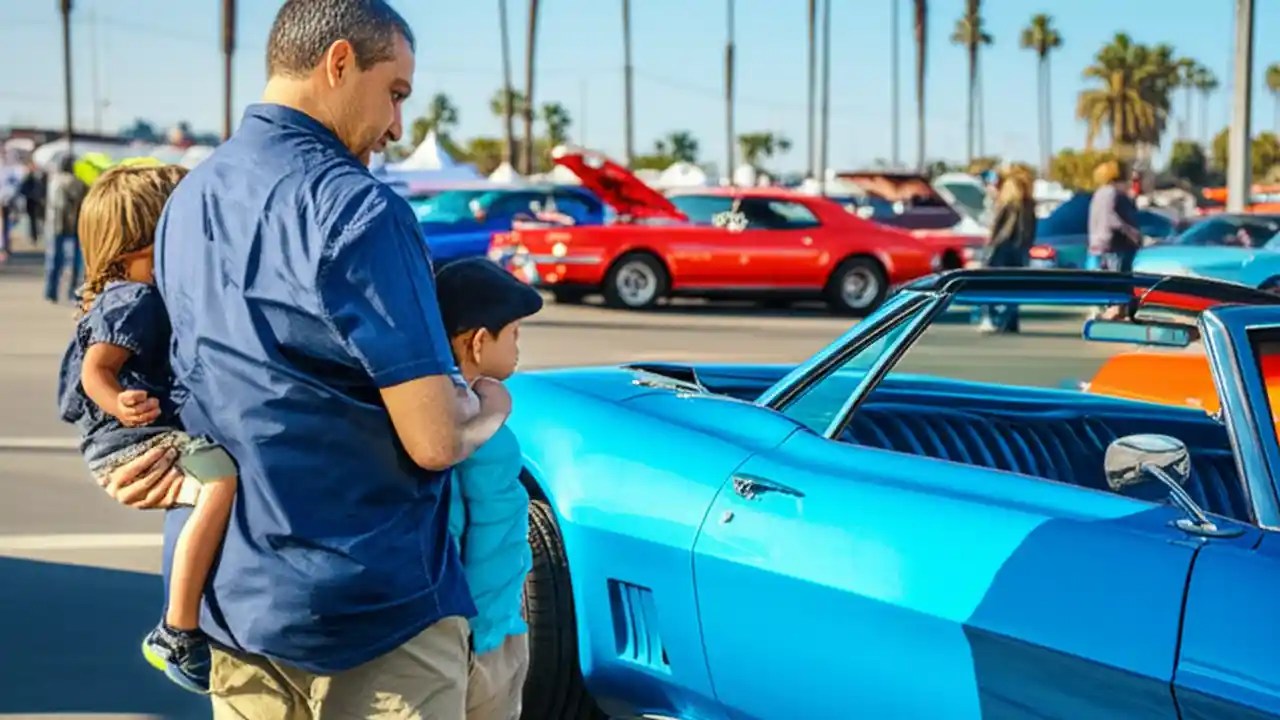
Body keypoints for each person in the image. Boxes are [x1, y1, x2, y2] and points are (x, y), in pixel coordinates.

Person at [148, 0, 511, 715]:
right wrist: (488, 406)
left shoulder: (188, 198)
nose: (397, 127)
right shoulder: (359, 208)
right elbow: (435, 439)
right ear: (338, 62)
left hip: (235, 600)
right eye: (395, 94)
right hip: (371, 609)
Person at [55, 164, 238, 694]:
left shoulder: (113, 294)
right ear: (146, 241)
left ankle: (181, 621)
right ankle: (176, 627)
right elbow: (94, 369)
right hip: (130, 440)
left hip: (122, 441)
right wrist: (121, 402)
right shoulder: (133, 299)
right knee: (219, 482)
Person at [435, 258, 543, 720]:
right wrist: (488, 635)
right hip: (483, 629)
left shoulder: (430, 405)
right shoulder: (486, 431)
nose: (519, 345)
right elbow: (493, 535)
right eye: (514, 333)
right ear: (479, 342)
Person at [976, 167, 1037, 334]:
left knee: (991, 283)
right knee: (1014, 285)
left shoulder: (1007, 203)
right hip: (1019, 249)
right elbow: (1030, 230)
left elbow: (996, 228)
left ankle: (990, 317)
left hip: (1001, 247)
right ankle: (1010, 320)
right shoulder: (1028, 204)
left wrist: (989, 244)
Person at [43, 154, 88, 303]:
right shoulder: (78, 183)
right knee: (75, 262)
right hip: (74, 225)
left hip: (56, 225)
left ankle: (51, 291)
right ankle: (72, 292)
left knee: (54, 259)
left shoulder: (53, 182)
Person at [1086, 160, 1142, 273]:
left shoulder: (1098, 194)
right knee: (1115, 281)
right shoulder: (1111, 192)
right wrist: (1131, 233)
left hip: (1096, 246)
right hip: (1110, 248)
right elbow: (1111, 218)